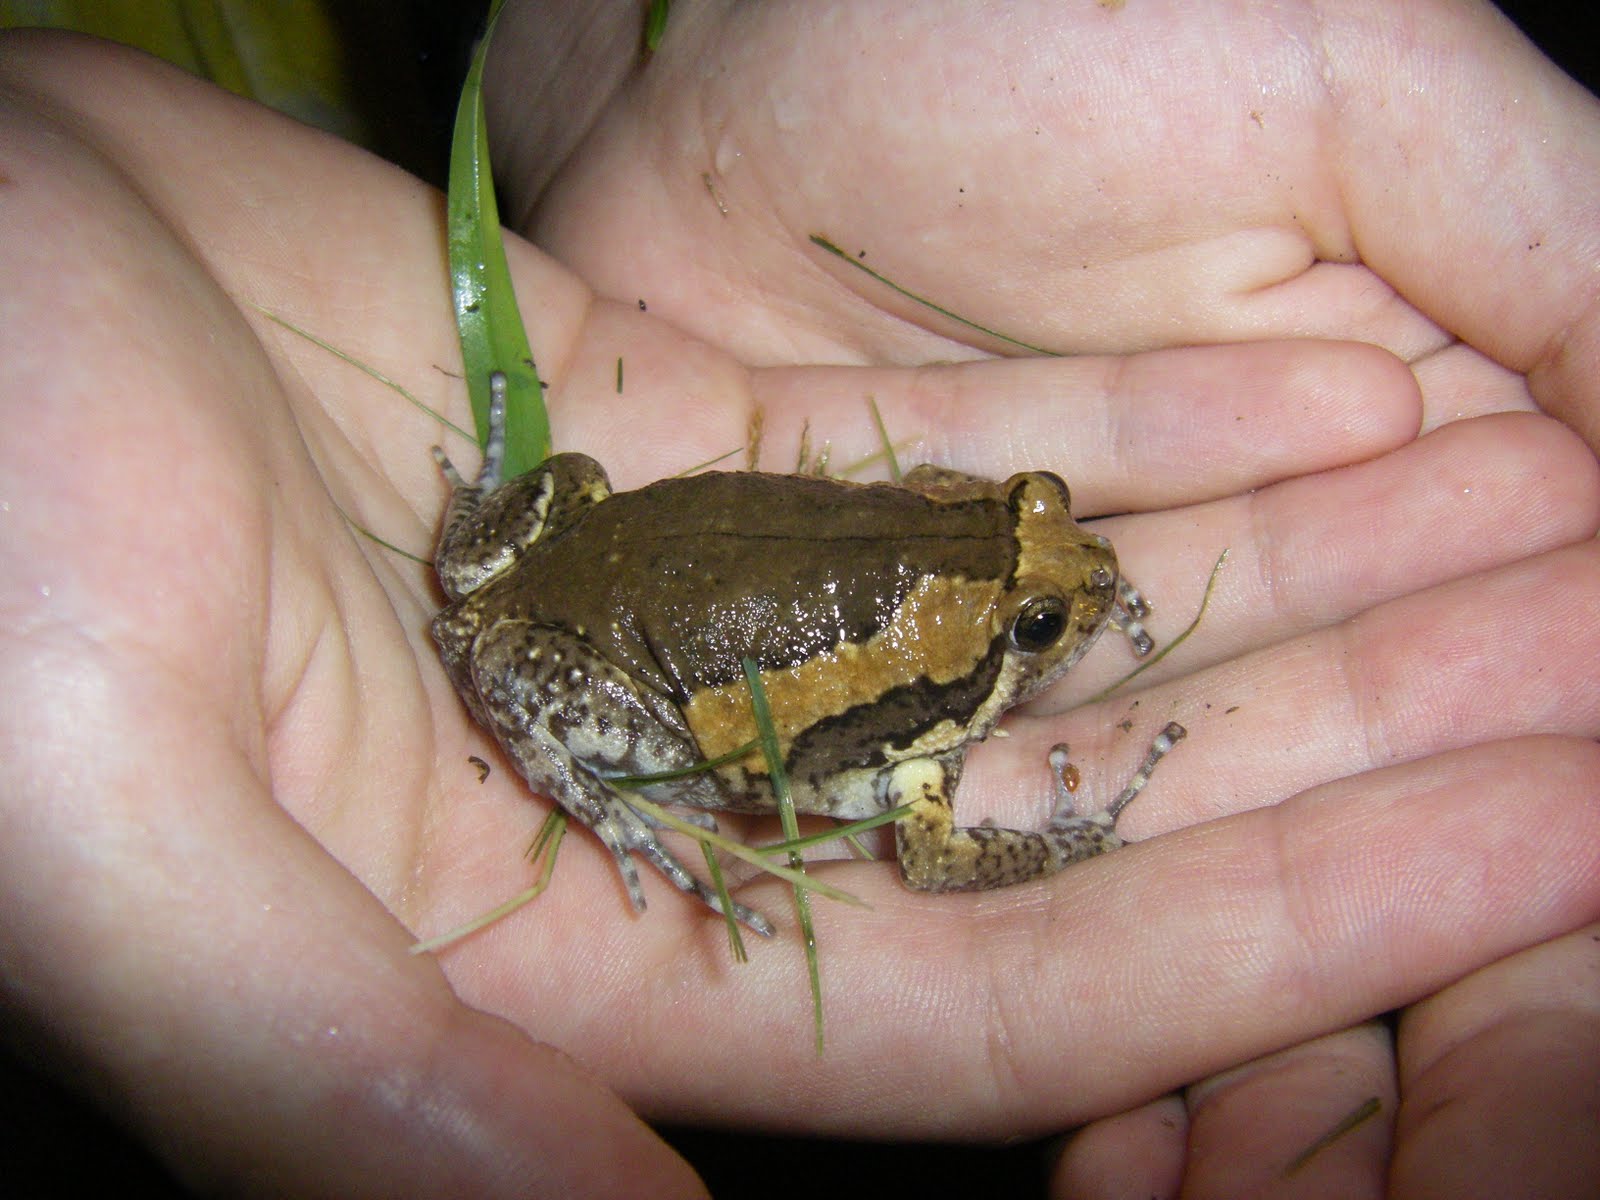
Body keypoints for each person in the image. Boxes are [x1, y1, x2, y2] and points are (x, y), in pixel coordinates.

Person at [1, 3, 1595, 1196]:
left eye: (1039, 554)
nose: (1072, 581)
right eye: (1037, 623)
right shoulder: (917, 720)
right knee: (603, 706)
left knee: (570, 515)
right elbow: (930, 842)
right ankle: (598, 781)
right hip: (596, 652)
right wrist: (1061, 833)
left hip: (579, 532)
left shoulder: (925, 520)